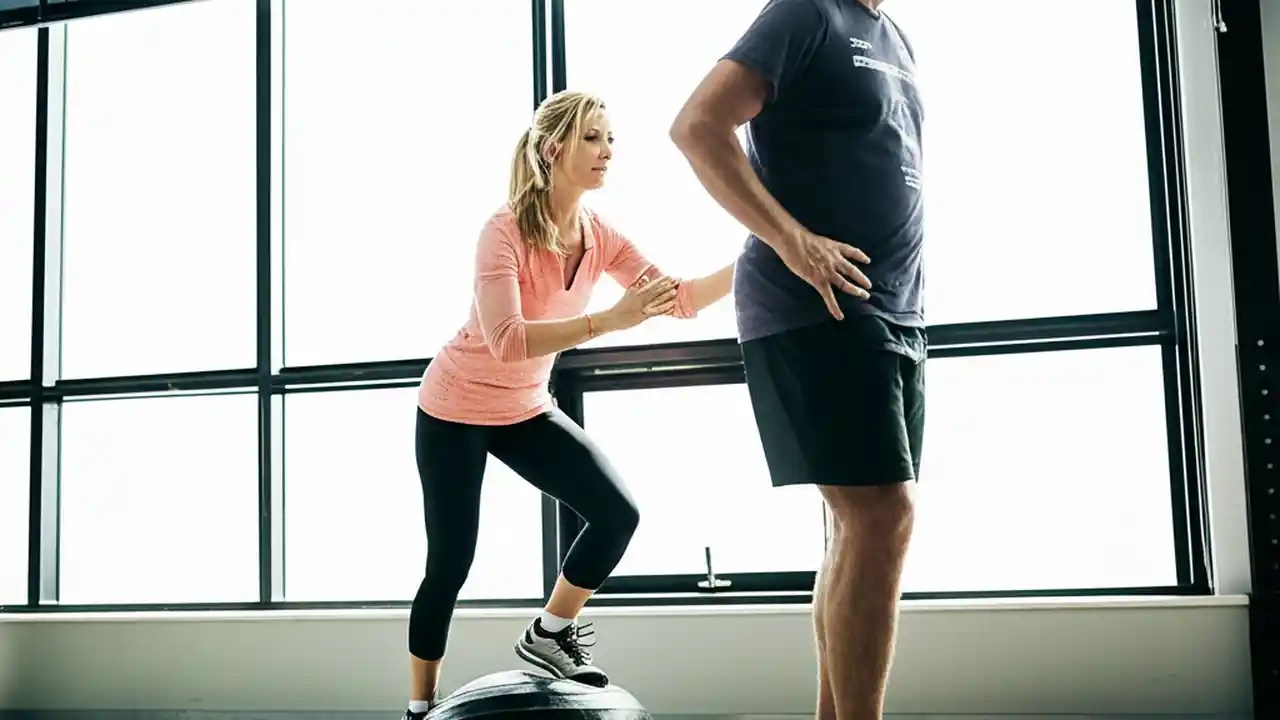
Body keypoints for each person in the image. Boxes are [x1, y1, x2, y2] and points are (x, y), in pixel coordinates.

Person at [403, 89, 736, 719]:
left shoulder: (601, 235)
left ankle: (550, 633)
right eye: (592, 138)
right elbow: (506, 340)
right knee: (450, 563)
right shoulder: (502, 232)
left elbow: (678, 298)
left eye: (611, 138)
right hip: (454, 406)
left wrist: (757, 260)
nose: (607, 151)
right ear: (553, 148)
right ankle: (418, 707)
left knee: (616, 514)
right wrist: (607, 320)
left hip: (525, 407)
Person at [670, 1, 925, 718]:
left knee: (854, 525)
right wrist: (791, 239)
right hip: (816, 307)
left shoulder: (893, 36)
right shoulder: (806, 13)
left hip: (895, 310)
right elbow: (697, 126)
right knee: (882, 515)